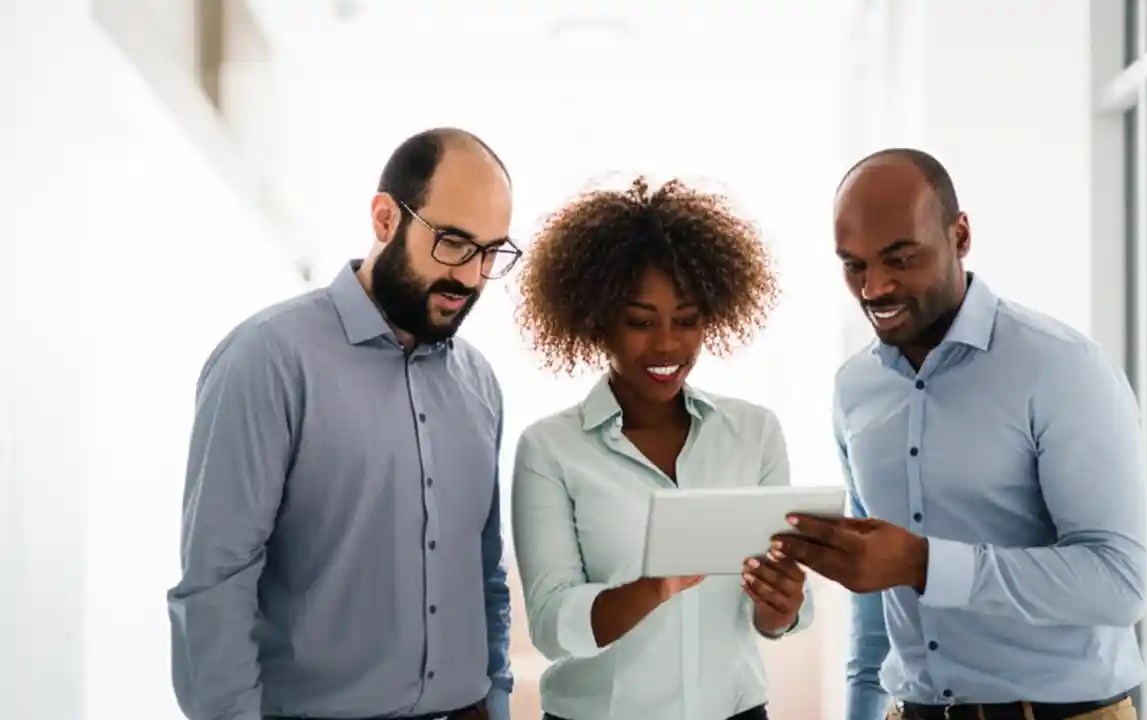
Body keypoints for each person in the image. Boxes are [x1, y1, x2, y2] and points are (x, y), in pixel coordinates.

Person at [773, 149, 1147, 720]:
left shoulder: (1062, 367)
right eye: (854, 265)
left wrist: (923, 563)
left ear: (960, 234)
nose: (875, 288)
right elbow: (878, 612)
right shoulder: (855, 389)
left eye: (900, 258)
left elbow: (1117, 582)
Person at [167, 128, 521, 720]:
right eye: (454, 243)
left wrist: (498, 701)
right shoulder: (268, 359)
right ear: (386, 219)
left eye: (491, 252)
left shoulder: (479, 384)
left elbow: (484, 576)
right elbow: (215, 589)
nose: (471, 276)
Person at [509, 177, 814, 720]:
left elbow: (771, 619)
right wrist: (655, 586)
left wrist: (782, 605)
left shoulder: (754, 434)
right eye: (640, 322)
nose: (667, 344)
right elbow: (555, 626)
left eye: (687, 320)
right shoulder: (550, 450)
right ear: (597, 320)